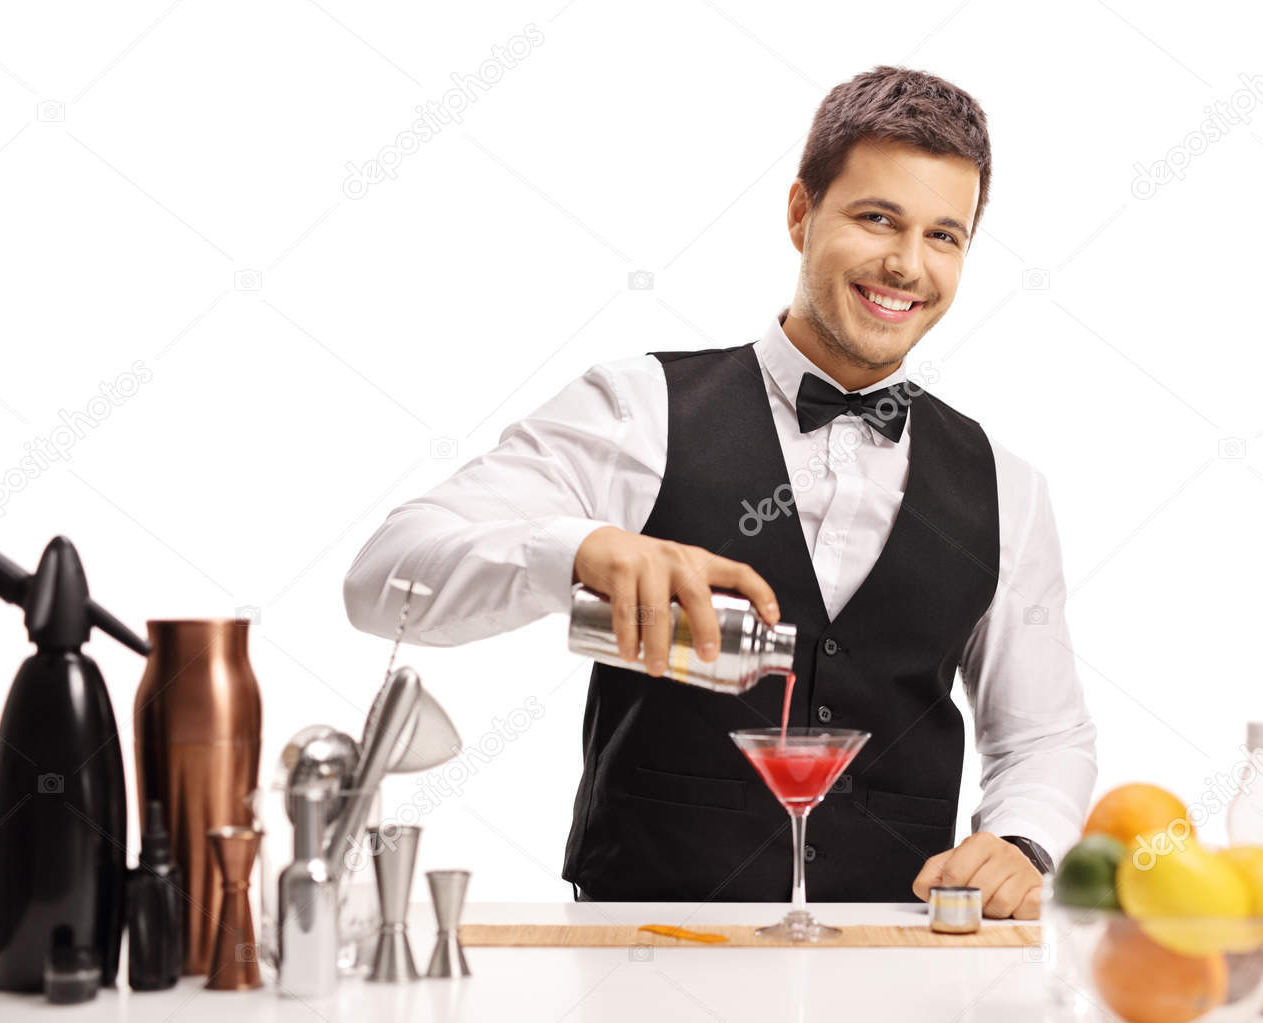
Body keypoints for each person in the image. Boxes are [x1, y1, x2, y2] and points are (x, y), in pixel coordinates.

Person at [344, 66, 1096, 918]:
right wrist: (578, 551)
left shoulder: (1008, 487)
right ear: (800, 214)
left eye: (944, 236)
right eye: (877, 217)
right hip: (641, 951)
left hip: (895, 957)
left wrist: (1026, 838)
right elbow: (383, 579)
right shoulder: (635, 411)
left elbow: (1044, 733)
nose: (907, 264)